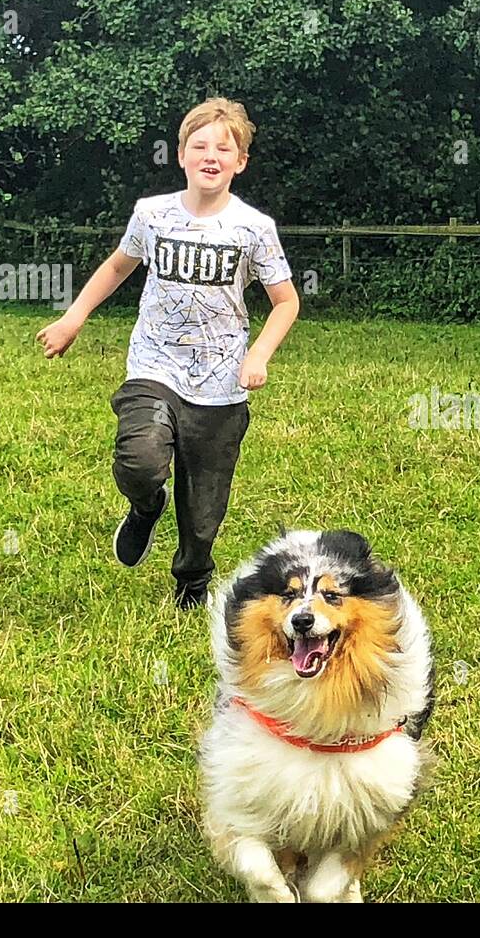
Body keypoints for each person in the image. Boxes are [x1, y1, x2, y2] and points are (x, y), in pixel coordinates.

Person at [37, 97, 300, 608]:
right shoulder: (152, 214)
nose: (211, 155)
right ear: (180, 154)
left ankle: (192, 583)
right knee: (140, 459)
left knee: (204, 513)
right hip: (155, 366)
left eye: (224, 148)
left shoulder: (254, 227)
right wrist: (74, 318)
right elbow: (117, 267)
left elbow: (286, 301)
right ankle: (144, 506)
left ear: (240, 161)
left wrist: (259, 355)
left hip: (223, 383)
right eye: (199, 145)